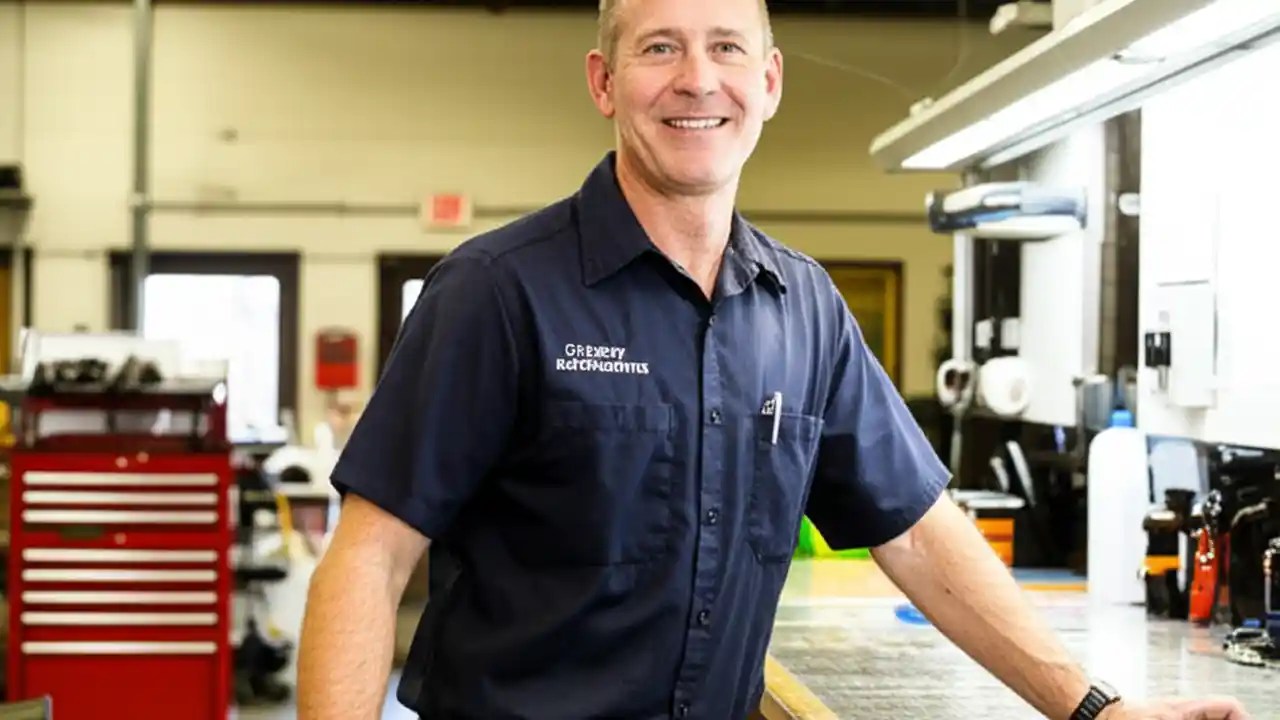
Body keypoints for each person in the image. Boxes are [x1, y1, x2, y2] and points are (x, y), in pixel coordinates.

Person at [296, 0, 1252, 718]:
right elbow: (368, 562)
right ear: (602, 80)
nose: (696, 79)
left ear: (770, 81)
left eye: (726, 48)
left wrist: (1093, 708)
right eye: (659, 47)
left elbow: (918, 533)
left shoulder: (804, 311)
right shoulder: (498, 292)